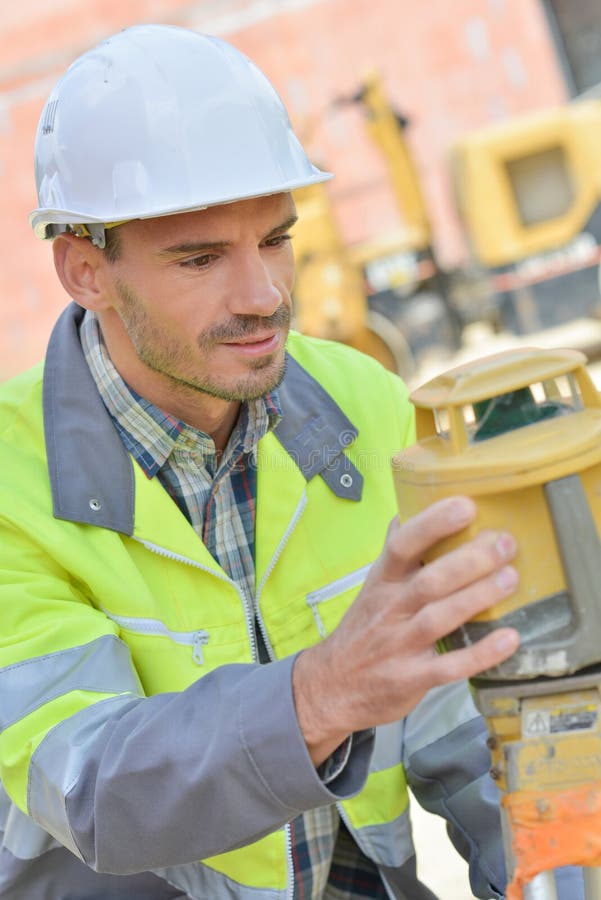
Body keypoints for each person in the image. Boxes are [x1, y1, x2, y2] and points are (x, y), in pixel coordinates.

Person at [0, 24, 524, 900]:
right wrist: (317, 697)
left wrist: (552, 858)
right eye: (200, 258)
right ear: (85, 270)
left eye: (275, 239)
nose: (264, 296)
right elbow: (93, 790)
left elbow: (471, 734)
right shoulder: (9, 481)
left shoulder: (367, 405)